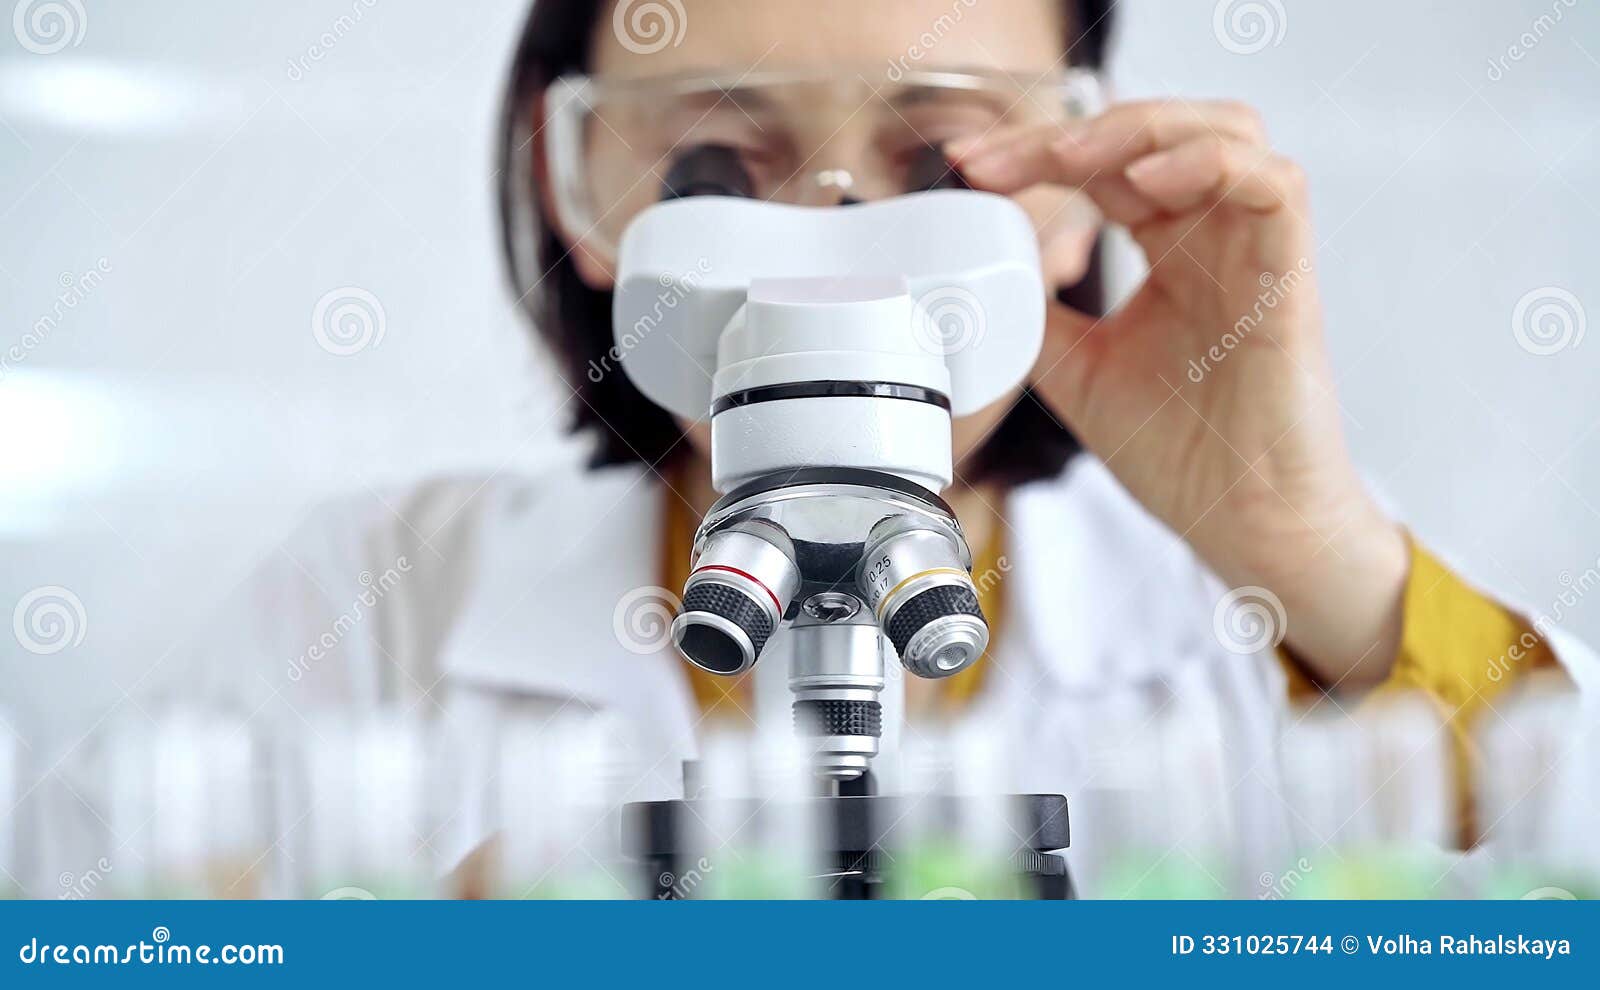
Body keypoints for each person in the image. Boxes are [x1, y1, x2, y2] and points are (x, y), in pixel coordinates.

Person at [174, 0, 1593, 894]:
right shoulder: (373, 601)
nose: (833, 244)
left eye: (940, 169)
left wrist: (1299, 540)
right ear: (578, 188)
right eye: (716, 169)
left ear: (1077, 195)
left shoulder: (1256, 607)